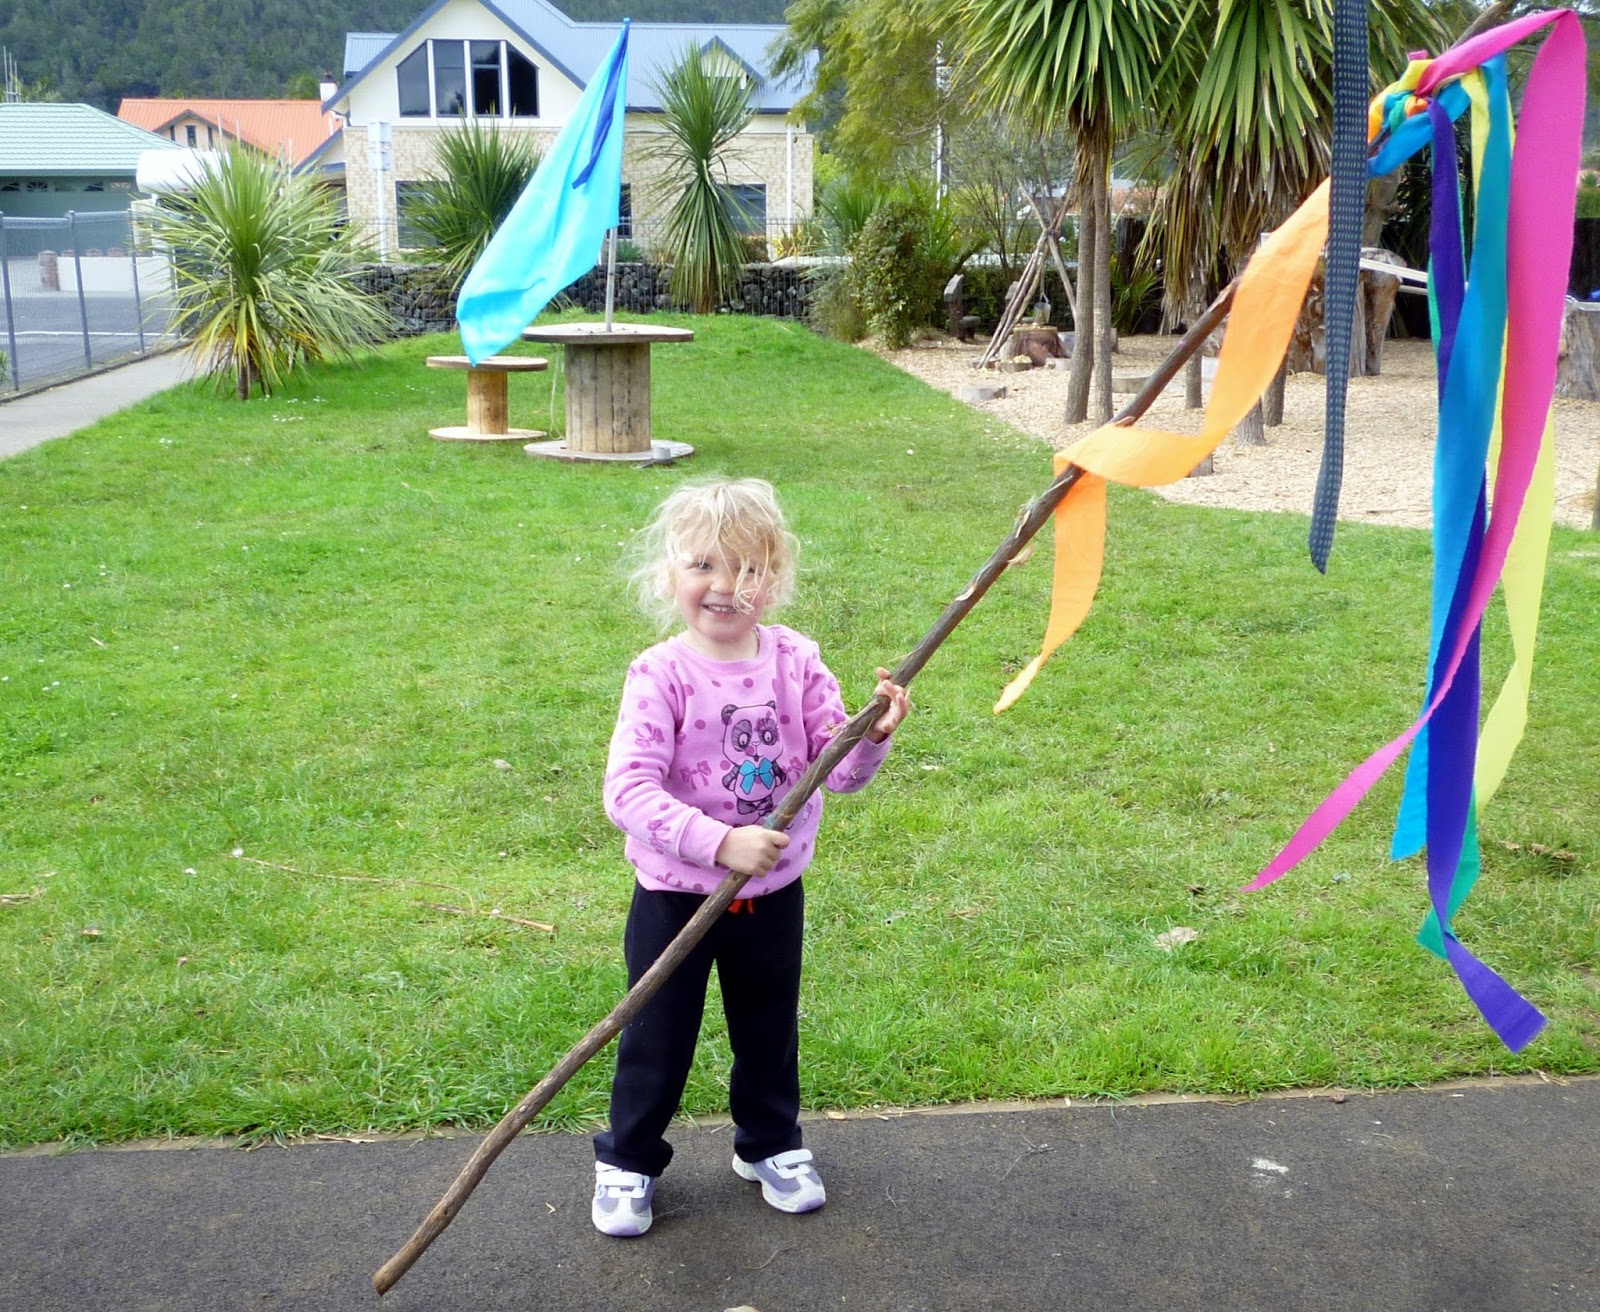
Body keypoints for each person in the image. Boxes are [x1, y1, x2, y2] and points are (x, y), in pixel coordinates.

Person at [591, 477, 911, 1237]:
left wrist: (870, 737)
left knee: (768, 1028)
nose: (727, 587)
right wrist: (718, 841)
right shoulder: (659, 674)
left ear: (776, 579)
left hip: (773, 896)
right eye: (705, 565)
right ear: (670, 575)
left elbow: (837, 770)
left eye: (750, 570)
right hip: (675, 896)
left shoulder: (797, 662)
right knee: (657, 1033)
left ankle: (769, 1144)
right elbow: (626, 791)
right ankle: (628, 1159)